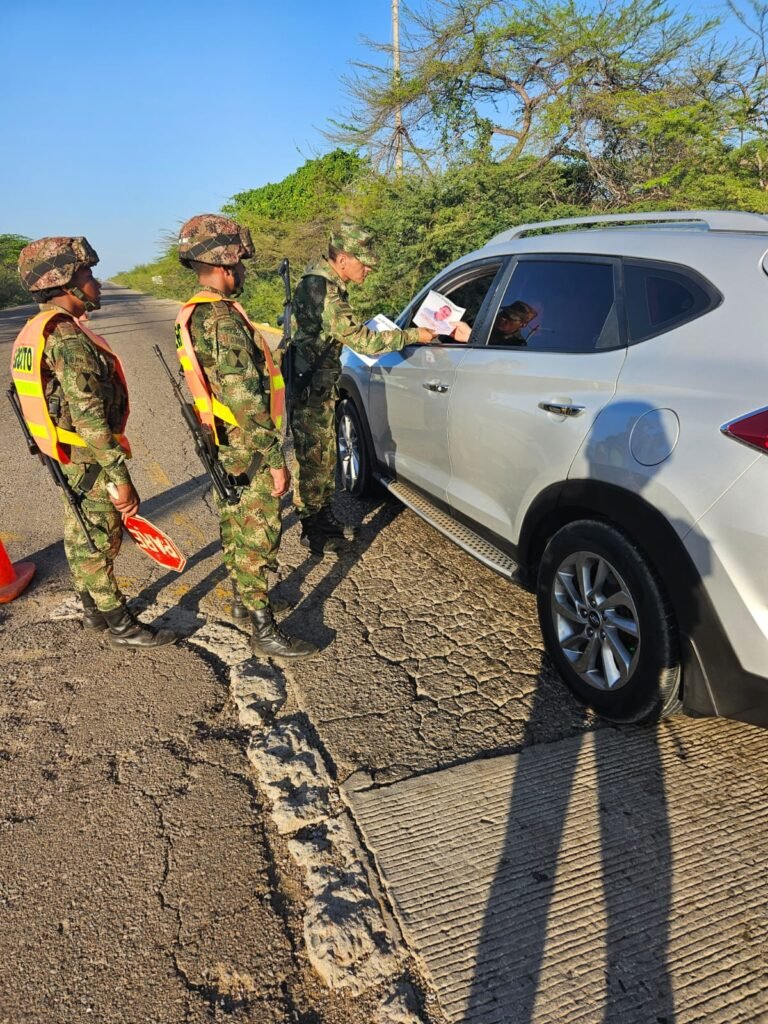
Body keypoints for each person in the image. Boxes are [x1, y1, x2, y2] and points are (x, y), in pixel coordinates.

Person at [11, 237, 176, 647]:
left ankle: (92, 610)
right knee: (99, 539)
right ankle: (120, 623)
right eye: (88, 275)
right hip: (89, 456)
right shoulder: (66, 338)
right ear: (66, 283)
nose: (96, 283)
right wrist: (118, 475)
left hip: (65, 453)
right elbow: (89, 414)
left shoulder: (36, 329)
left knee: (80, 531)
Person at [175, 214, 317, 660]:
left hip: (226, 441)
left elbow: (233, 377)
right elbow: (244, 397)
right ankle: (262, 627)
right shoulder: (220, 318)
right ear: (224, 264)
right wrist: (275, 460)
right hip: (247, 445)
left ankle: (243, 599)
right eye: (240, 264)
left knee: (236, 527)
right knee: (258, 532)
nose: (243, 273)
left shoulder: (197, 314)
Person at [290, 222, 441, 555]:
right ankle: (314, 530)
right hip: (310, 388)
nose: (369, 268)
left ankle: (322, 520)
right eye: (364, 261)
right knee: (314, 460)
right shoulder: (322, 289)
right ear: (343, 259)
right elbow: (363, 341)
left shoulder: (320, 283)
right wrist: (415, 335)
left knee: (323, 457)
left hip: (315, 383)